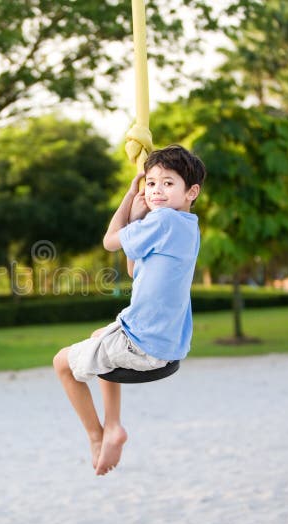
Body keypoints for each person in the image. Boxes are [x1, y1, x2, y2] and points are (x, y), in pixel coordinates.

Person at [52, 144, 205, 476]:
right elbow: (136, 270)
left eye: (168, 183)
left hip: (144, 342)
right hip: (165, 343)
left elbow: (109, 240)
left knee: (62, 364)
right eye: (150, 183)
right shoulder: (186, 226)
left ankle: (98, 435)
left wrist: (128, 195)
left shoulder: (163, 219)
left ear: (191, 191)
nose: (156, 191)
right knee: (101, 335)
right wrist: (138, 217)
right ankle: (114, 425)